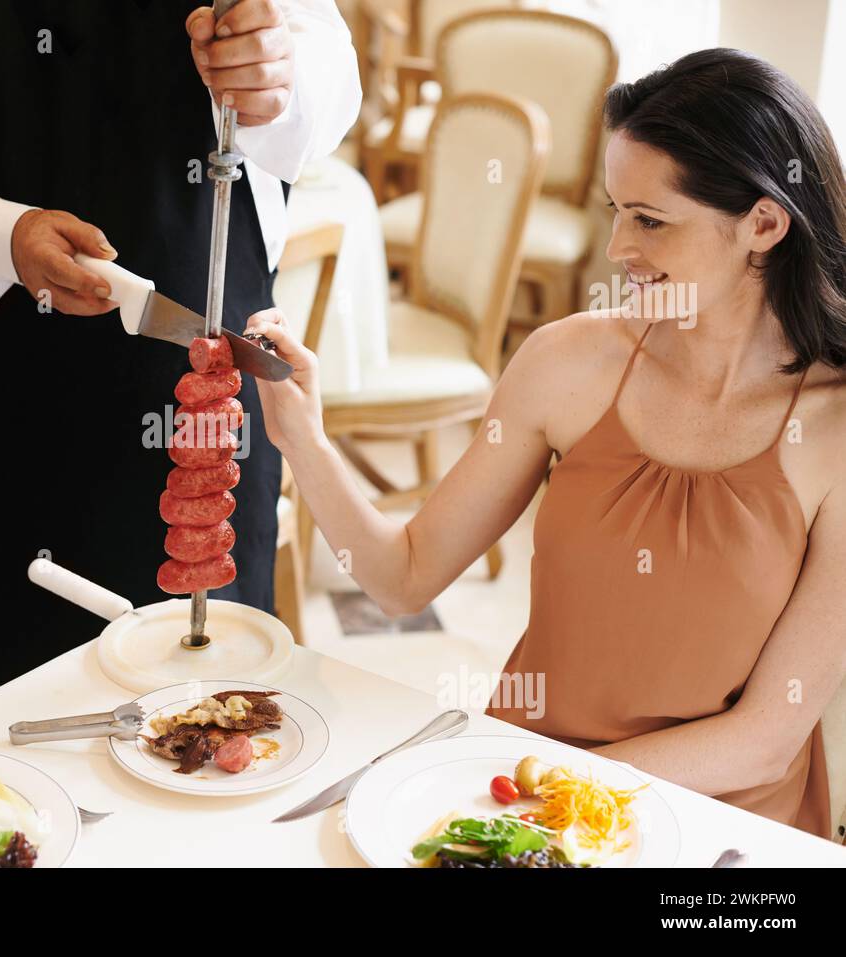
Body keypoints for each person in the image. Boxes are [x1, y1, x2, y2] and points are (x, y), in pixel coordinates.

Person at [244, 49, 846, 838]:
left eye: (650, 220)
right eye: (615, 211)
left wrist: (558, 792)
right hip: (520, 793)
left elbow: (765, 740)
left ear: (764, 223)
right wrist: (305, 438)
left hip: (708, 827)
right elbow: (401, 577)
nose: (616, 249)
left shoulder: (833, 431)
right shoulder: (567, 363)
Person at [0, 0, 361, 704]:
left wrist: (282, 82)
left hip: (201, 378)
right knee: (13, 706)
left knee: (212, 710)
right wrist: (2, 232)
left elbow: (328, 78)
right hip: (8, 392)